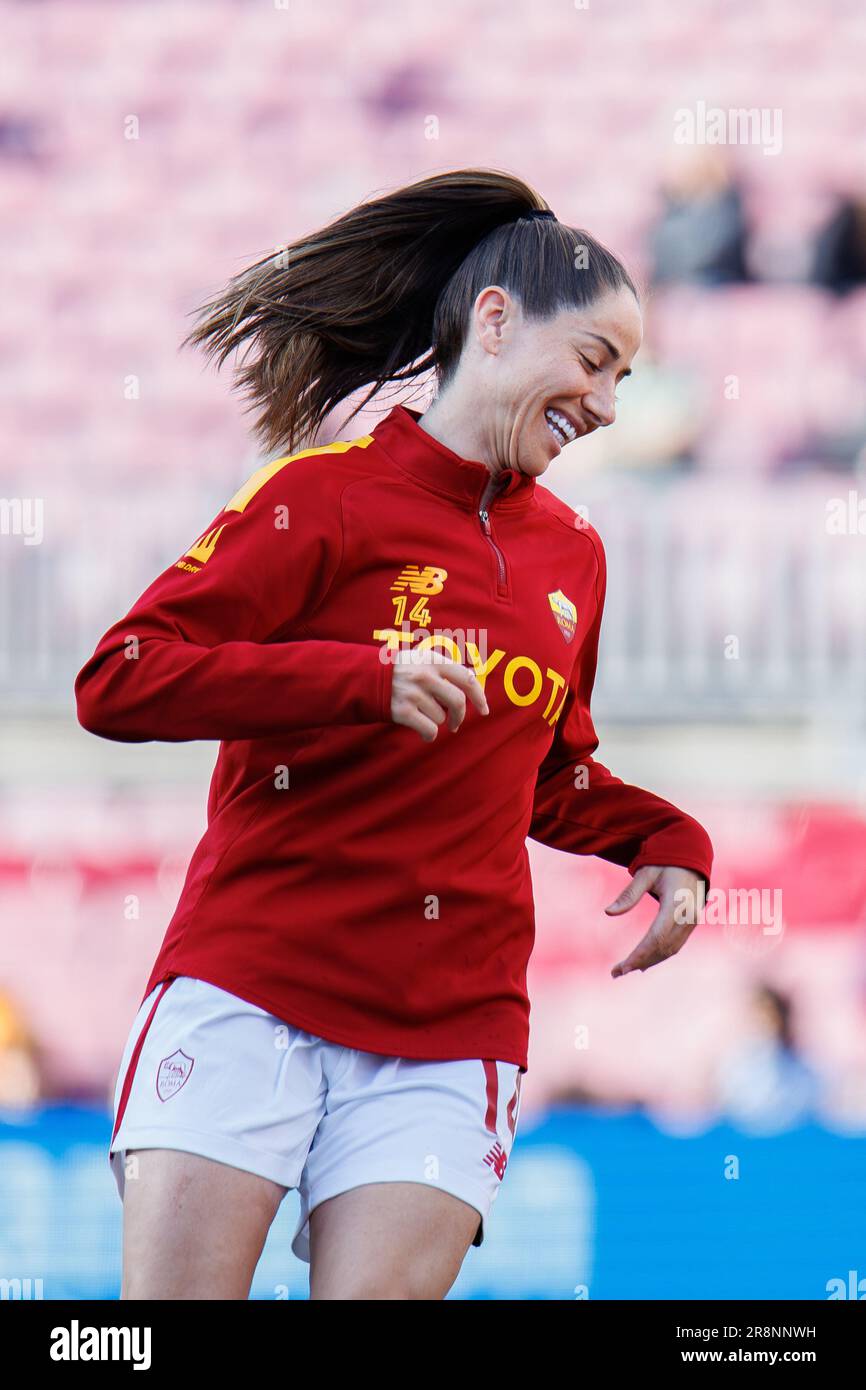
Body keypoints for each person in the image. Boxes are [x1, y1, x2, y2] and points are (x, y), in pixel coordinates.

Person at [75, 168, 714, 1301]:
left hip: (449, 1020)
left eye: (624, 376)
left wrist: (659, 837)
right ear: (497, 319)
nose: (608, 404)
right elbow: (120, 681)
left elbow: (541, 773)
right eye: (594, 361)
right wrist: (358, 682)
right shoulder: (315, 497)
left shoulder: (575, 553)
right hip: (252, 981)